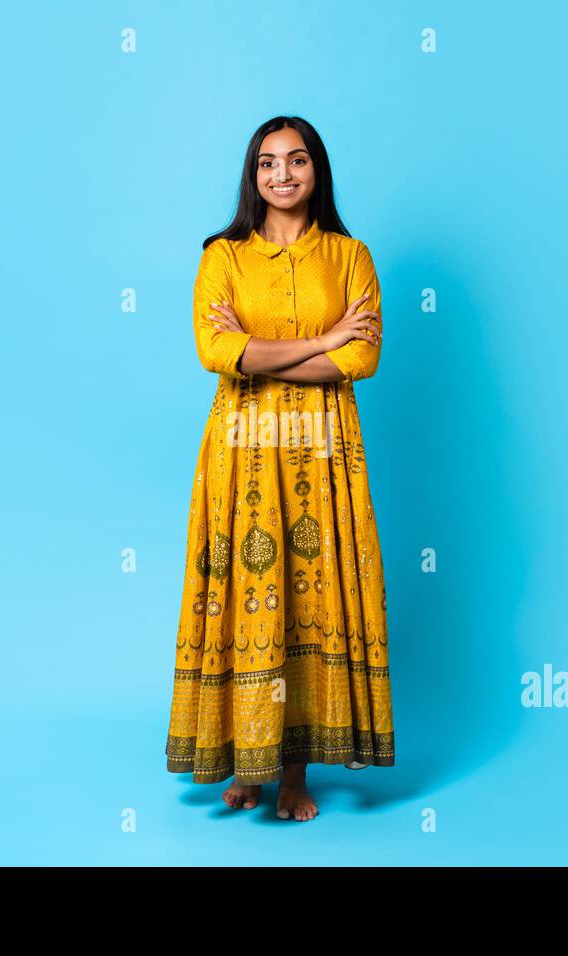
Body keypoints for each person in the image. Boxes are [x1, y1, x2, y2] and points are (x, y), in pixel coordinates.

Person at [164, 115, 395, 822]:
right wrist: (323, 337)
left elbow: (362, 360)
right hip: (240, 451)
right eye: (268, 163)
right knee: (244, 595)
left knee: (310, 598)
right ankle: (249, 767)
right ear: (252, 175)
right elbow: (217, 353)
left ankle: (295, 777)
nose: (283, 174)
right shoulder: (223, 257)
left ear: (317, 170)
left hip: (323, 455)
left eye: (297, 161)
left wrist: (263, 345)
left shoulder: (350, 257)